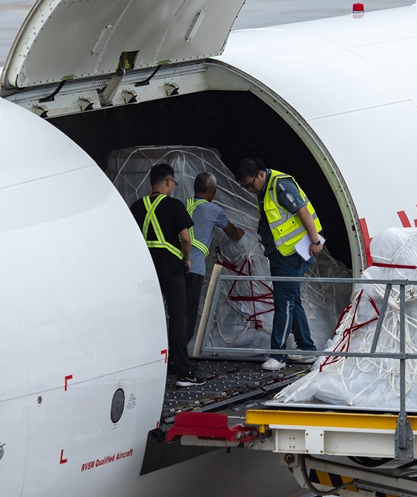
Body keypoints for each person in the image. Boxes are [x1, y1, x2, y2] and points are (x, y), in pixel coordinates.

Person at [236, 158, 324, 371]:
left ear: (260, 174)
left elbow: (302, 210)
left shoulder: (280, 184)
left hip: (292, 254)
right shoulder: (264, 190)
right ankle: (306, 348)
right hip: (281, 253)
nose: (250, 190)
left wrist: (315, 240)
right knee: (292, 299)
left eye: (251, 185)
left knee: (284, 302)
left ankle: (278, 355)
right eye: (245, 187)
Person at [129, 163, 201, 388]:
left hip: (146, 271)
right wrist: (187, 259)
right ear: (169, 181)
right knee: (178, 319)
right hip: (171, 269)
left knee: (148, 319)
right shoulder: (174, 205)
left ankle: (145, 368)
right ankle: (183, 373)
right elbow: (186, 239)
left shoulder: (136, 206)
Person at [185, 171, 245, 344]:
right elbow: (234, 233)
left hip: (174, 267)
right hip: (194, 268)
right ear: (212, 190)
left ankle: (171, 355)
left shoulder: (182, 204)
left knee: (176, 313)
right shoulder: (214, 210)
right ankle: (179, 362)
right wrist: (242, 232)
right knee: (188, 315)